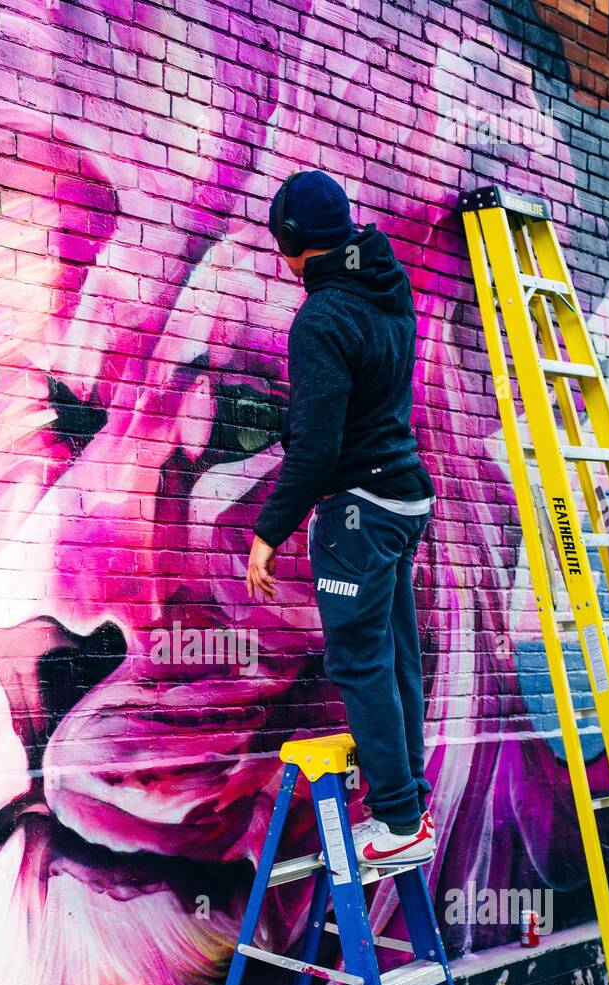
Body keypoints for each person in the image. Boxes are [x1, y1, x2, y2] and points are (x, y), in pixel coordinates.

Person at [247, 170, 437, 867]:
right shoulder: (386, 288)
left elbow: (318, 448)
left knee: (360, 664)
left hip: (358, 510)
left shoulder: (322, 318)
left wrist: (267, 532)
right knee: (396, 659)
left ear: (294, 244)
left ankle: (396, 817)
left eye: (281, 247)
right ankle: (407, 808)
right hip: (403, 499)